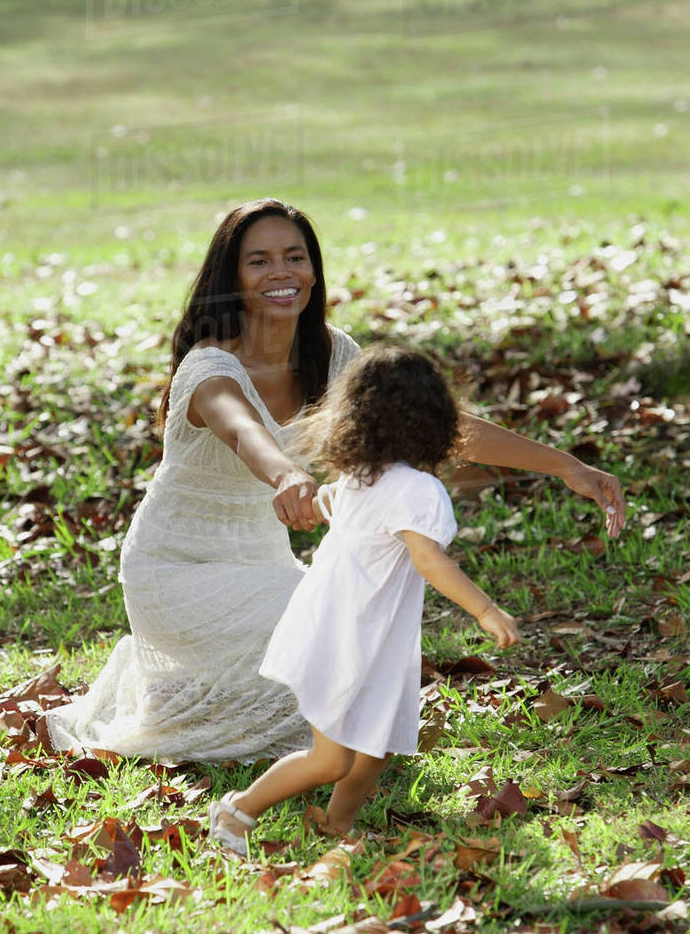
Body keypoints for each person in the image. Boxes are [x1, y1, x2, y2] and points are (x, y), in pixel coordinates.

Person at [45, 197, 624, 763]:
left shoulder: (331, 354)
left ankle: (231, 708)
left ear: (313, 270)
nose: (281, 272)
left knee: (357, 630)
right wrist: (287, 475)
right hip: (174, 572)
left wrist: (567, 466)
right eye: (259, 261)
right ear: (232, 277)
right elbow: (244, 430)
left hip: (260, 563)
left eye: (294, 257)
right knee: (341, 631)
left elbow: (436, 423)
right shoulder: (209, 366)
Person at [209, 346, 519, 854]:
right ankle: (238, 810)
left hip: (358, 631)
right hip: (347, 634)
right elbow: (429, 560)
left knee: (374, 748)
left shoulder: (358, 478)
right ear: (434, 421)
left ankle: (336, 828)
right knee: (332, 760)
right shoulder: (417, 490)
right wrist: (484, 609)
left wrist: (324, 504)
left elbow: (331, 503)